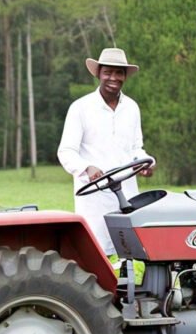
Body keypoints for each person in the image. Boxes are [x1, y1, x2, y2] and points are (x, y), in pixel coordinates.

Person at [57, 47, 155, 259]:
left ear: (125, 76)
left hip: (127, 194)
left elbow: (136, 148)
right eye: (108, 72)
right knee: (95, 255)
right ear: (98, 74)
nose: (113, 78)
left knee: (131, 255)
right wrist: (86, 167)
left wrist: (145, 163)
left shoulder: (131, 108)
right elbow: (66, 151)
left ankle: (129, 290)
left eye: (119, 73)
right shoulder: (80, 108)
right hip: (94, 196)